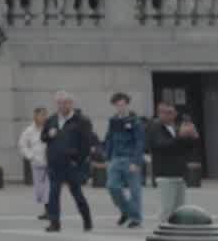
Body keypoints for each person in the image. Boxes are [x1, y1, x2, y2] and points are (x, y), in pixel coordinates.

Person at [40, 94, 98, 233]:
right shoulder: (51, 120)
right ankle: (55, 223)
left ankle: (87, 220)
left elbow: (87, 142)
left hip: (71, 164)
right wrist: (49, 135)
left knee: (77, 193)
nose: (63, 106)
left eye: (66, 103)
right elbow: (43, 137)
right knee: (53, 193)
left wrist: (78, 160)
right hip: (55, 163)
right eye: (59, 103)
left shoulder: (81, 121)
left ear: (71, 104)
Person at [101, 91, 151, 229]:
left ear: (127, 104)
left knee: (135, 191)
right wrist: (107, 157)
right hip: (116, 158)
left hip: (130, 159)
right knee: (112, 186)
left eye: (123, 104)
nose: (120, 107)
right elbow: (109, 139)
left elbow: (140, 142)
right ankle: (126, 211)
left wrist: (136, 162)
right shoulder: (113, 121)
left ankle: (136, 218)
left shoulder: (135, 121)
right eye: (117, 105)